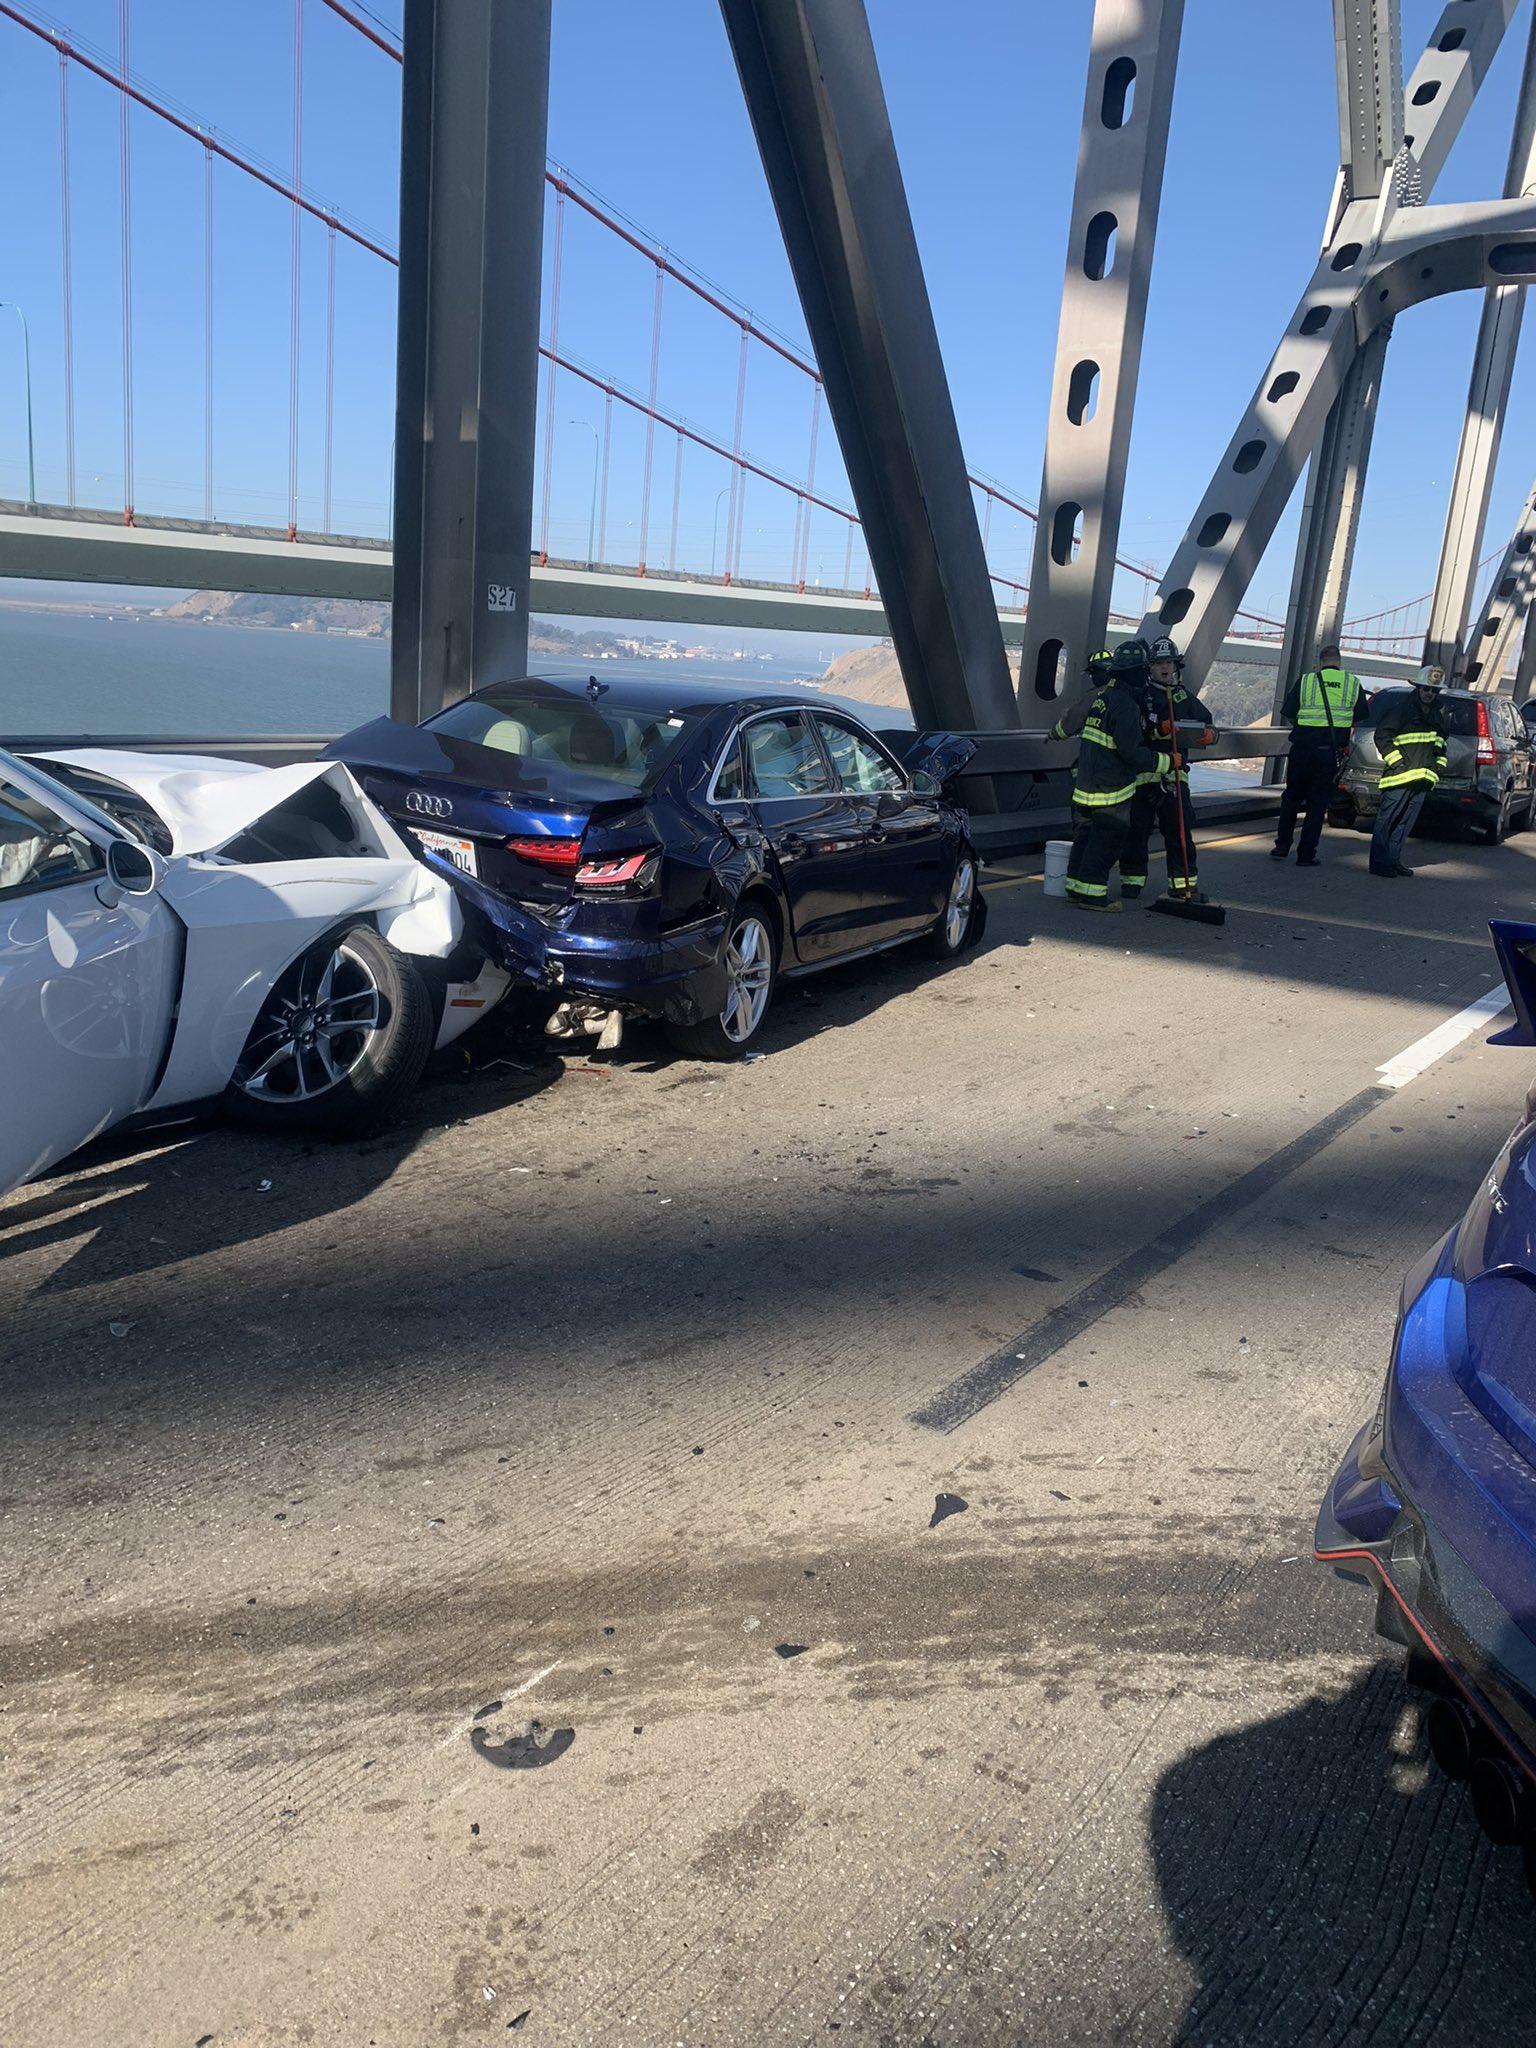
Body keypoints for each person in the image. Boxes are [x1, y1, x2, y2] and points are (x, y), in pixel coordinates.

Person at [1063, 640, 1168, 912]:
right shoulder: (1126, 707)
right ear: (1137, 673)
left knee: (1084, 837)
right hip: (1110, 789)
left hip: (1086, 784)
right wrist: (1167, 761)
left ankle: (1075, 888)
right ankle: (1093, 896)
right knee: (1106, 840)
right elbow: (1132, 752)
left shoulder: (1102, 699)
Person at [1123, 636, 1216, 901]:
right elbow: (1134, 731)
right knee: (1136, 831)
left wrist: (1209, 735)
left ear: (1175, 666)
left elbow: (1210, 725)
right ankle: (1132, 881)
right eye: (1159, 663)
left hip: (1175, 777)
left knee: (1180, 831)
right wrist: (1156, 728)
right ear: (1149, 667)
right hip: (1143, 777)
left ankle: (1183, 885)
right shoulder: (1140, 696)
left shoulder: (1184, 698)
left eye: (1169, 663)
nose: (1165, 668)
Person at [1271, 642, 1364, 868]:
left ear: (1320, 662)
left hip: (1302, 750)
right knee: (1317, 804)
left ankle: (1282, 845)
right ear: (1339, 662)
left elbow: (1290, 713)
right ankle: (1305, 855)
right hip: (1328, 754)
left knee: (1291, 798)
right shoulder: (1352, 683)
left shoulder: (1306, 681)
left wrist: (1307, 726)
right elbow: (1360, 716)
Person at [1370, 665, 1447, 878]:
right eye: (1426, 689)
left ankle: (1393, 861)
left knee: (1404, 823)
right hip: (1400, 777)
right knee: (1387, 821)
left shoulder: (1436, 715)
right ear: (1418, 688)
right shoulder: (1402, 709)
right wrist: (1398, 763)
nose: (1430, 694)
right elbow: (1382, 736)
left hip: (1422, 779)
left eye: (1434, 690)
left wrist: (1438, 765)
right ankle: (1379, 863)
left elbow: (1441, 742)